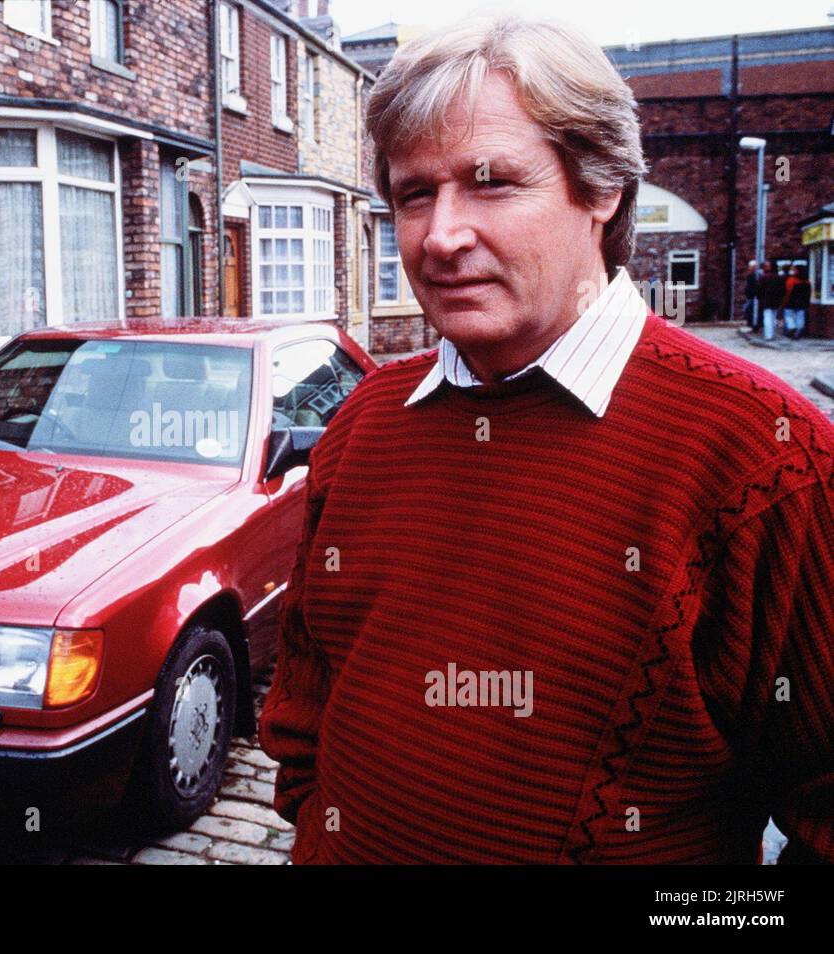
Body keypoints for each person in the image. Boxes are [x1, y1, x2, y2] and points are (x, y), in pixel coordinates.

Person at [259, 13, 834, 864]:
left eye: (490, 184)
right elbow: (307, 698)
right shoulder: (363, 425)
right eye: (415, 194)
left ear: (601, 189)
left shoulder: (767, 457)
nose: (441, 236)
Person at [757, 259, 786, 341]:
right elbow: (783, 289)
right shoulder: (779, 277)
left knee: (767, 317)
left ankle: (768, 335)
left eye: (767, 266)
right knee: (773, 317)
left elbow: (759, 289)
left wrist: (760, 298)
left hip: (766, 300)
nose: (765, 267)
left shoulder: (763, 277)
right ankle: (772, 334)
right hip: (776, 300)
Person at [783, 264, 811, 340]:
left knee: (789, 316)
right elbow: (808, 293)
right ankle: (798, 331)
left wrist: (784, 301)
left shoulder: (791, 280)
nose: (793, 271)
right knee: (800, 317)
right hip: (802, 303)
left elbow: (787, 291)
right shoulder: (807, 281)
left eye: (794, 270)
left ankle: (792, 327)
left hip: (791, 302)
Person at [743, 258, 761, 330]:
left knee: (749, 309)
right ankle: (751, 323)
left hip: (752, 296)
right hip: (750, 295)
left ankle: (753, 324)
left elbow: (752, 285)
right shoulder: (752, 275)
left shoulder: (753, 276)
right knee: (748, 309)